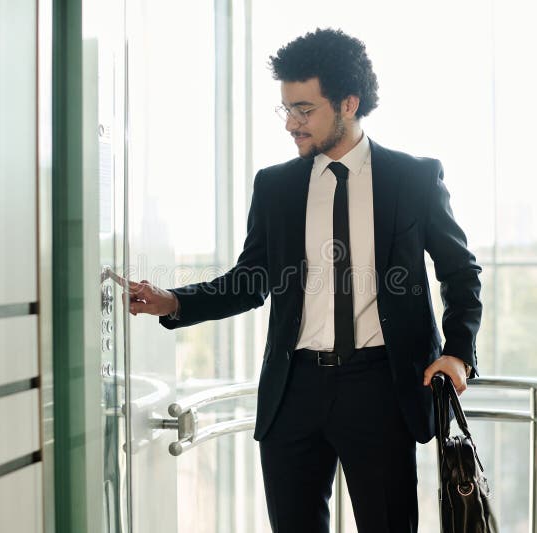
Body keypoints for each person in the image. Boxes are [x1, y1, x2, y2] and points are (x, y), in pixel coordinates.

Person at [123, 28, 482, 533]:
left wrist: (459, 350)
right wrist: (173, 302)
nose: (291, 123)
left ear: (349, 103)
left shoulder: (412, 179)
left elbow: (461, 272)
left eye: (305, 109)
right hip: (294, 390)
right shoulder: (276, 187)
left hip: (380, 388)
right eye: (286, 109)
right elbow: (252, 280)